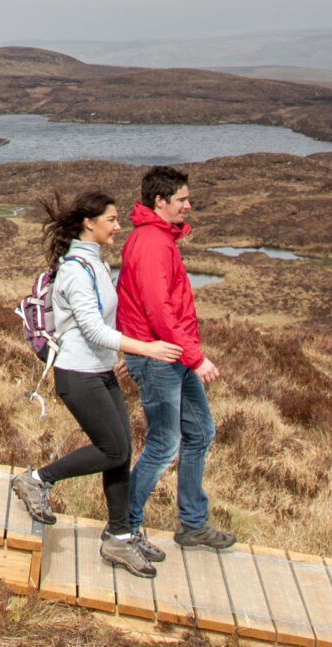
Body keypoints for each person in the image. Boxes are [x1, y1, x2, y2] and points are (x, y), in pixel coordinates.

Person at [8, 190, 184, 576]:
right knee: (112, 450)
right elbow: (91, 329)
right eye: (112, 220)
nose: (118, 227)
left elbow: (106, 325)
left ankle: (120, 537)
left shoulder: (98, 265)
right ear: (89, 223)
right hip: (77, 375)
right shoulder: (75, 270)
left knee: (120, 452)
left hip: (100, 372)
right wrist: (147, 349)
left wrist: (120, 358)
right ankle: (37, 480)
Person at [114, 165, 236, 551]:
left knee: (200, 433)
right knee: (165, 444)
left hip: (171, 354)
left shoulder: (160, 239)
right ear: (160, 201)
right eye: (182, 200)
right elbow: (158, 310)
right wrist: (197, 359)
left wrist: (187, 356)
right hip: (159, 357)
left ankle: (192, 524)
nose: (189, 205)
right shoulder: (151, 243)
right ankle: (124, 526)